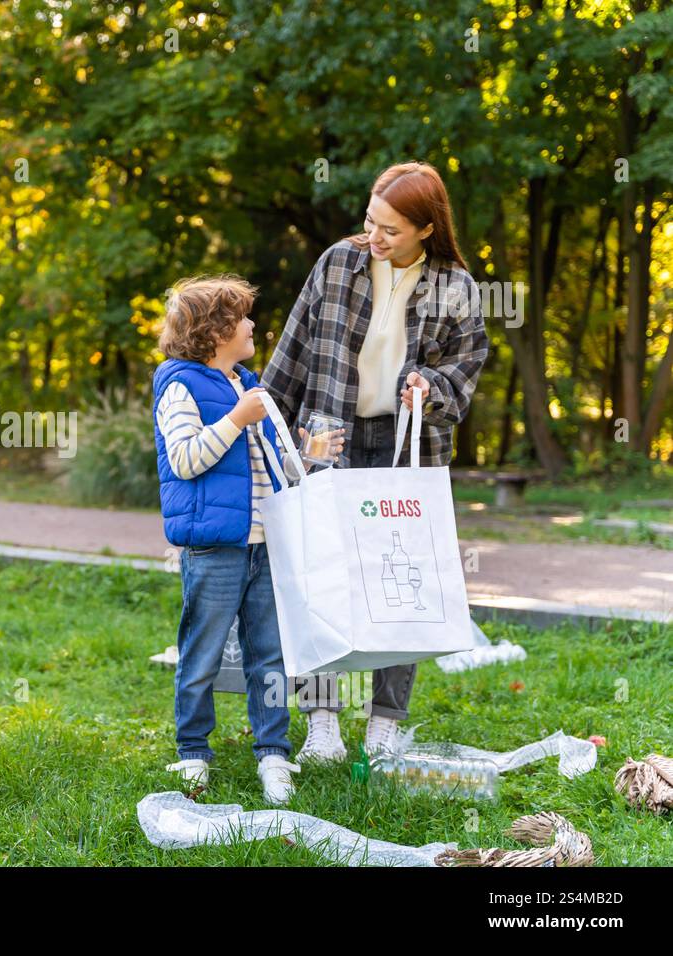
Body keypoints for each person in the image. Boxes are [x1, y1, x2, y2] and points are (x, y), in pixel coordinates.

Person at [260, 161, 490, 761]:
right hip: (327, 436)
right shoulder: (338, 263)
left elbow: (462, 377)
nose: (375, 237)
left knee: (402, 580)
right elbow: (293, 349)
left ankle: (385, 723)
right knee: (321, 571)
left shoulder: (456, 289)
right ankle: (322, 723)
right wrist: (263, 427)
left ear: (425, 229)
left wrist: (429, 387)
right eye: (370, 221)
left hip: (406, 447)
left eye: (390, 229)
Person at [153, 274, 343, 804]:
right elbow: (187, 460)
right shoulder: (179, 386)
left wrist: (310, 455)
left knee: (270, 655)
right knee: (203, 653)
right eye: (242, 318)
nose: (254, 324)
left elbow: (270, 467)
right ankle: (193, 753)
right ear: (215, 332)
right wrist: (237, 419)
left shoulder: (245, 382)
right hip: (215, 547)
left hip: (264, 543)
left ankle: (274, 754)